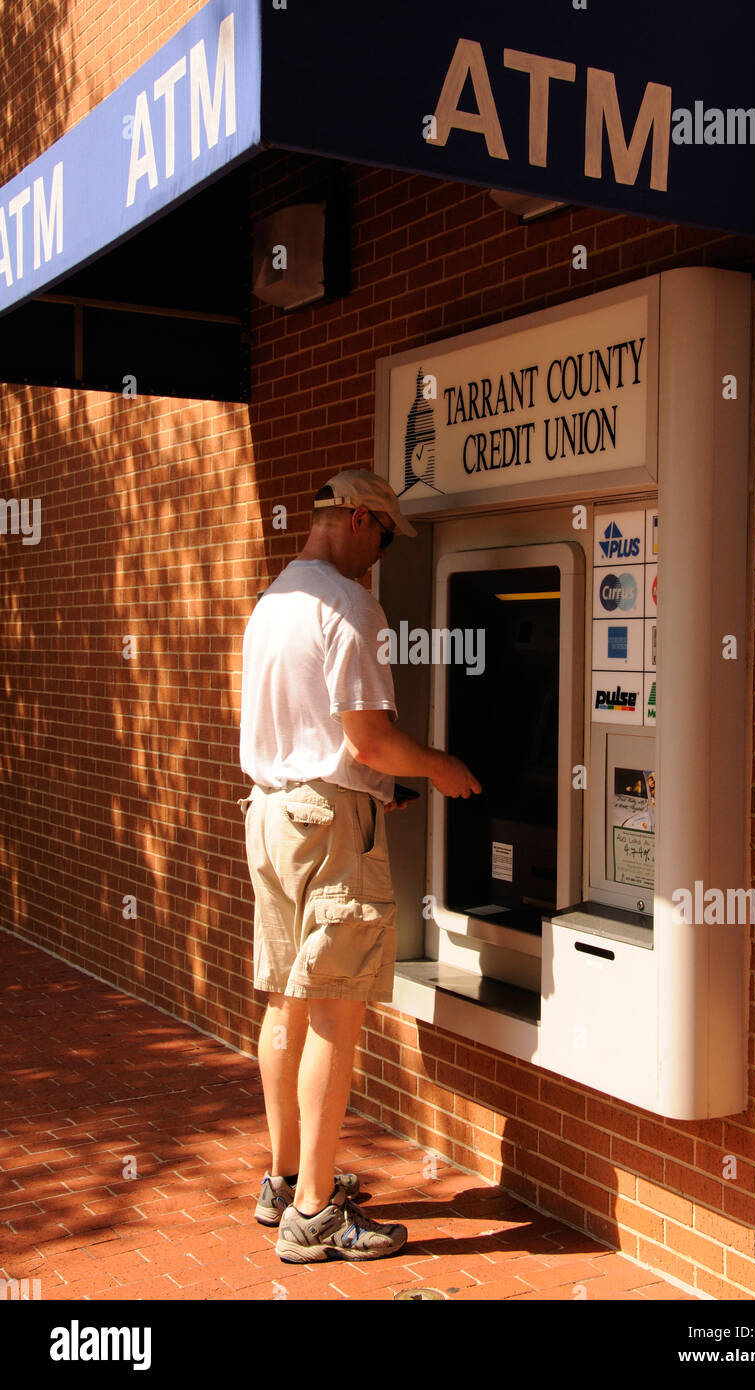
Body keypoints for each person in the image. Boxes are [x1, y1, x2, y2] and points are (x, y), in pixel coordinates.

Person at [238, 468, 481, 1263]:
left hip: (272, 813)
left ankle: (281, 1183)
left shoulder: (273, 603)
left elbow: (323, 739)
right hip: (327, 824)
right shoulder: (350, 606)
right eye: (381, 535)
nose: (379, 555)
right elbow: (368, 741)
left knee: (286, 1004)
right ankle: (315, 1214)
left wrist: (375, 790)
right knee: (337, 1012)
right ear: (355, 517)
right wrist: (435, 768)